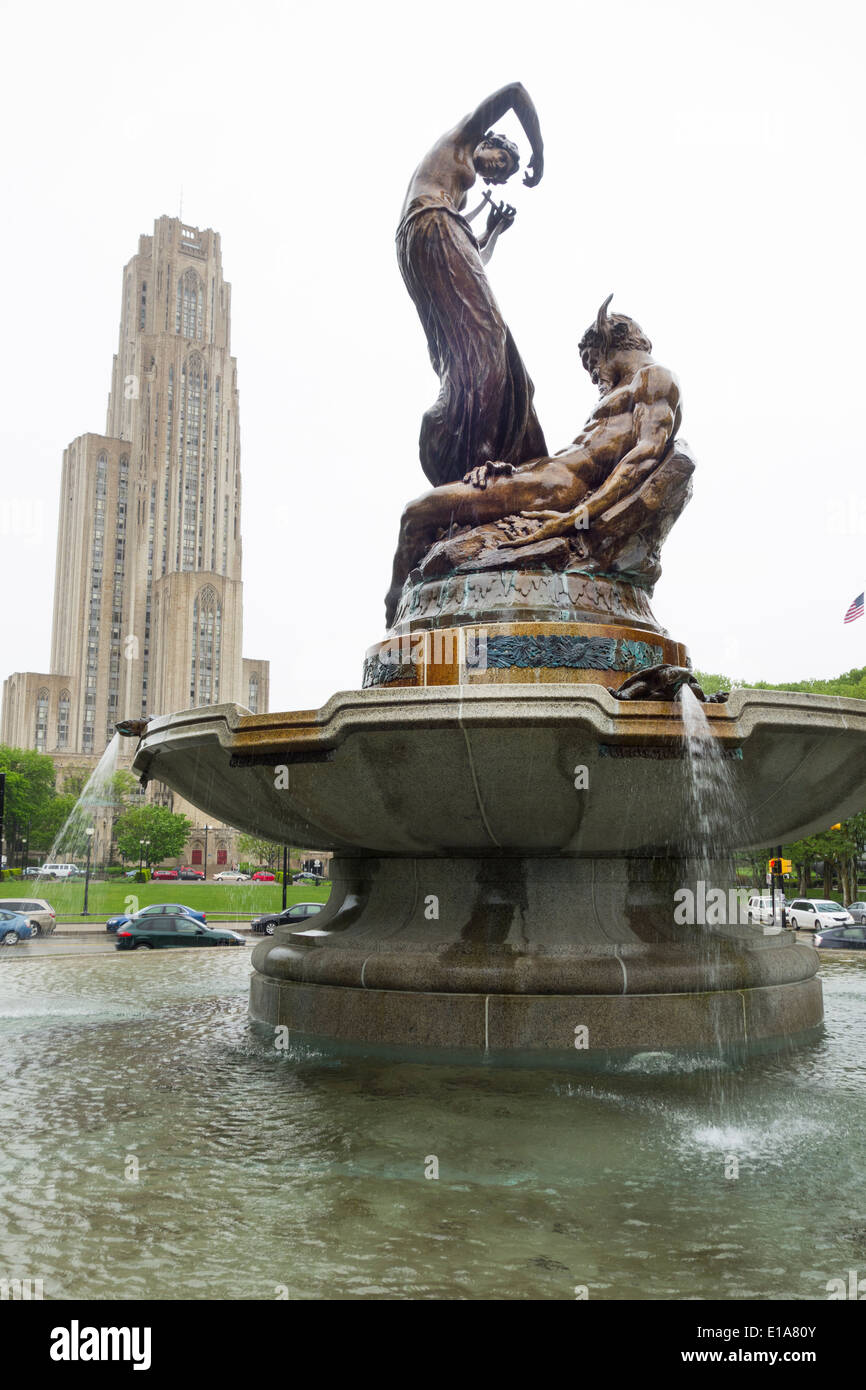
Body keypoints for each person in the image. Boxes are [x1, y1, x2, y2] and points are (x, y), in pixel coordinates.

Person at [385, 296, 693, 626]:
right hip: (543, 478)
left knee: (416, 514)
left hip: (555, 490)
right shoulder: (627, 389)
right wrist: (513, 470)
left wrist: (579, 516)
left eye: (592, 362)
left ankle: (396, 626)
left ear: (608, 340)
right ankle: (403, 621)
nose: (592, 375)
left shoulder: (654, 378)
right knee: (421, 517)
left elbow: (643, 457)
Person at [397, 81, 547, 490]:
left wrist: (493, 231)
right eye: (504, 161)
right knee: (488, 335)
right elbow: (515, 92)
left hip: (428, 238)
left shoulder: (456, 200)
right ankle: (478, 460)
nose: (500, 173)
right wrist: (538, 152)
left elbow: (473, 261)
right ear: (491, 141)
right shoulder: (462, 139)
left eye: (507, 174)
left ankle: (466, 437)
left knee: (484, 353)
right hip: (429, 225)